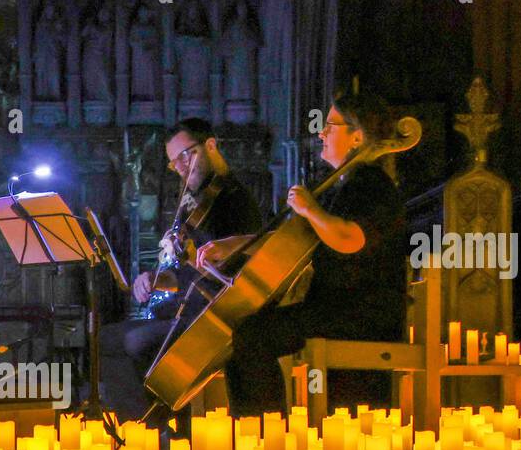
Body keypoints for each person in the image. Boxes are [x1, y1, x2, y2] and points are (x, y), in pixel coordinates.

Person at [198, 89, 408, 417]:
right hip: (335, 307)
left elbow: (350, 238)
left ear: (358, 137)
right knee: (247, 331)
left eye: (331, 126)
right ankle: (259, 429)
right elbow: (295, 239)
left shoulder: (372, 184)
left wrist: (311, 210)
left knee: (251, 335)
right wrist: (235, 244)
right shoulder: (343, 184)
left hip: (360, 313)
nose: (321, 133)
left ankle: (266, 435)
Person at [99, 118, 262, 424]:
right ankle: (143, 428)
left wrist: (212, 252)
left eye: (186, 155)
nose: (181, 167)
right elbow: (185, 276)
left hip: (215, 319)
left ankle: (158, 430)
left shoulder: (235, 199)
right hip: (186, 310)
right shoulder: (195, 205)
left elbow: (248, 261)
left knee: (134, 342)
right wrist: (156, 280)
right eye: (175, 162)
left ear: (210, 146)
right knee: (105, 339)